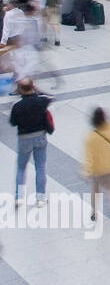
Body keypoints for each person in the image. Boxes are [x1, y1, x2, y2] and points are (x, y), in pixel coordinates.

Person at [10, 77, 52, 205]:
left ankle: (19, 197)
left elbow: (13, 122)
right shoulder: (42, 101)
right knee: (40, 167)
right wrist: (35, 91)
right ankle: (40, 198)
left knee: (21, 168)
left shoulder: (17, 106)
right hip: (40, 137)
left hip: (24, 139)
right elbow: (49, 98)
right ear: (33, 87)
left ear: (20, 90)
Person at [83, 107, 110, 233]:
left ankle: (94, 212)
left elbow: (88, 157)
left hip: (97, 169)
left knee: (95, 190)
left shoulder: (91, 137)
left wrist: (86, 171)